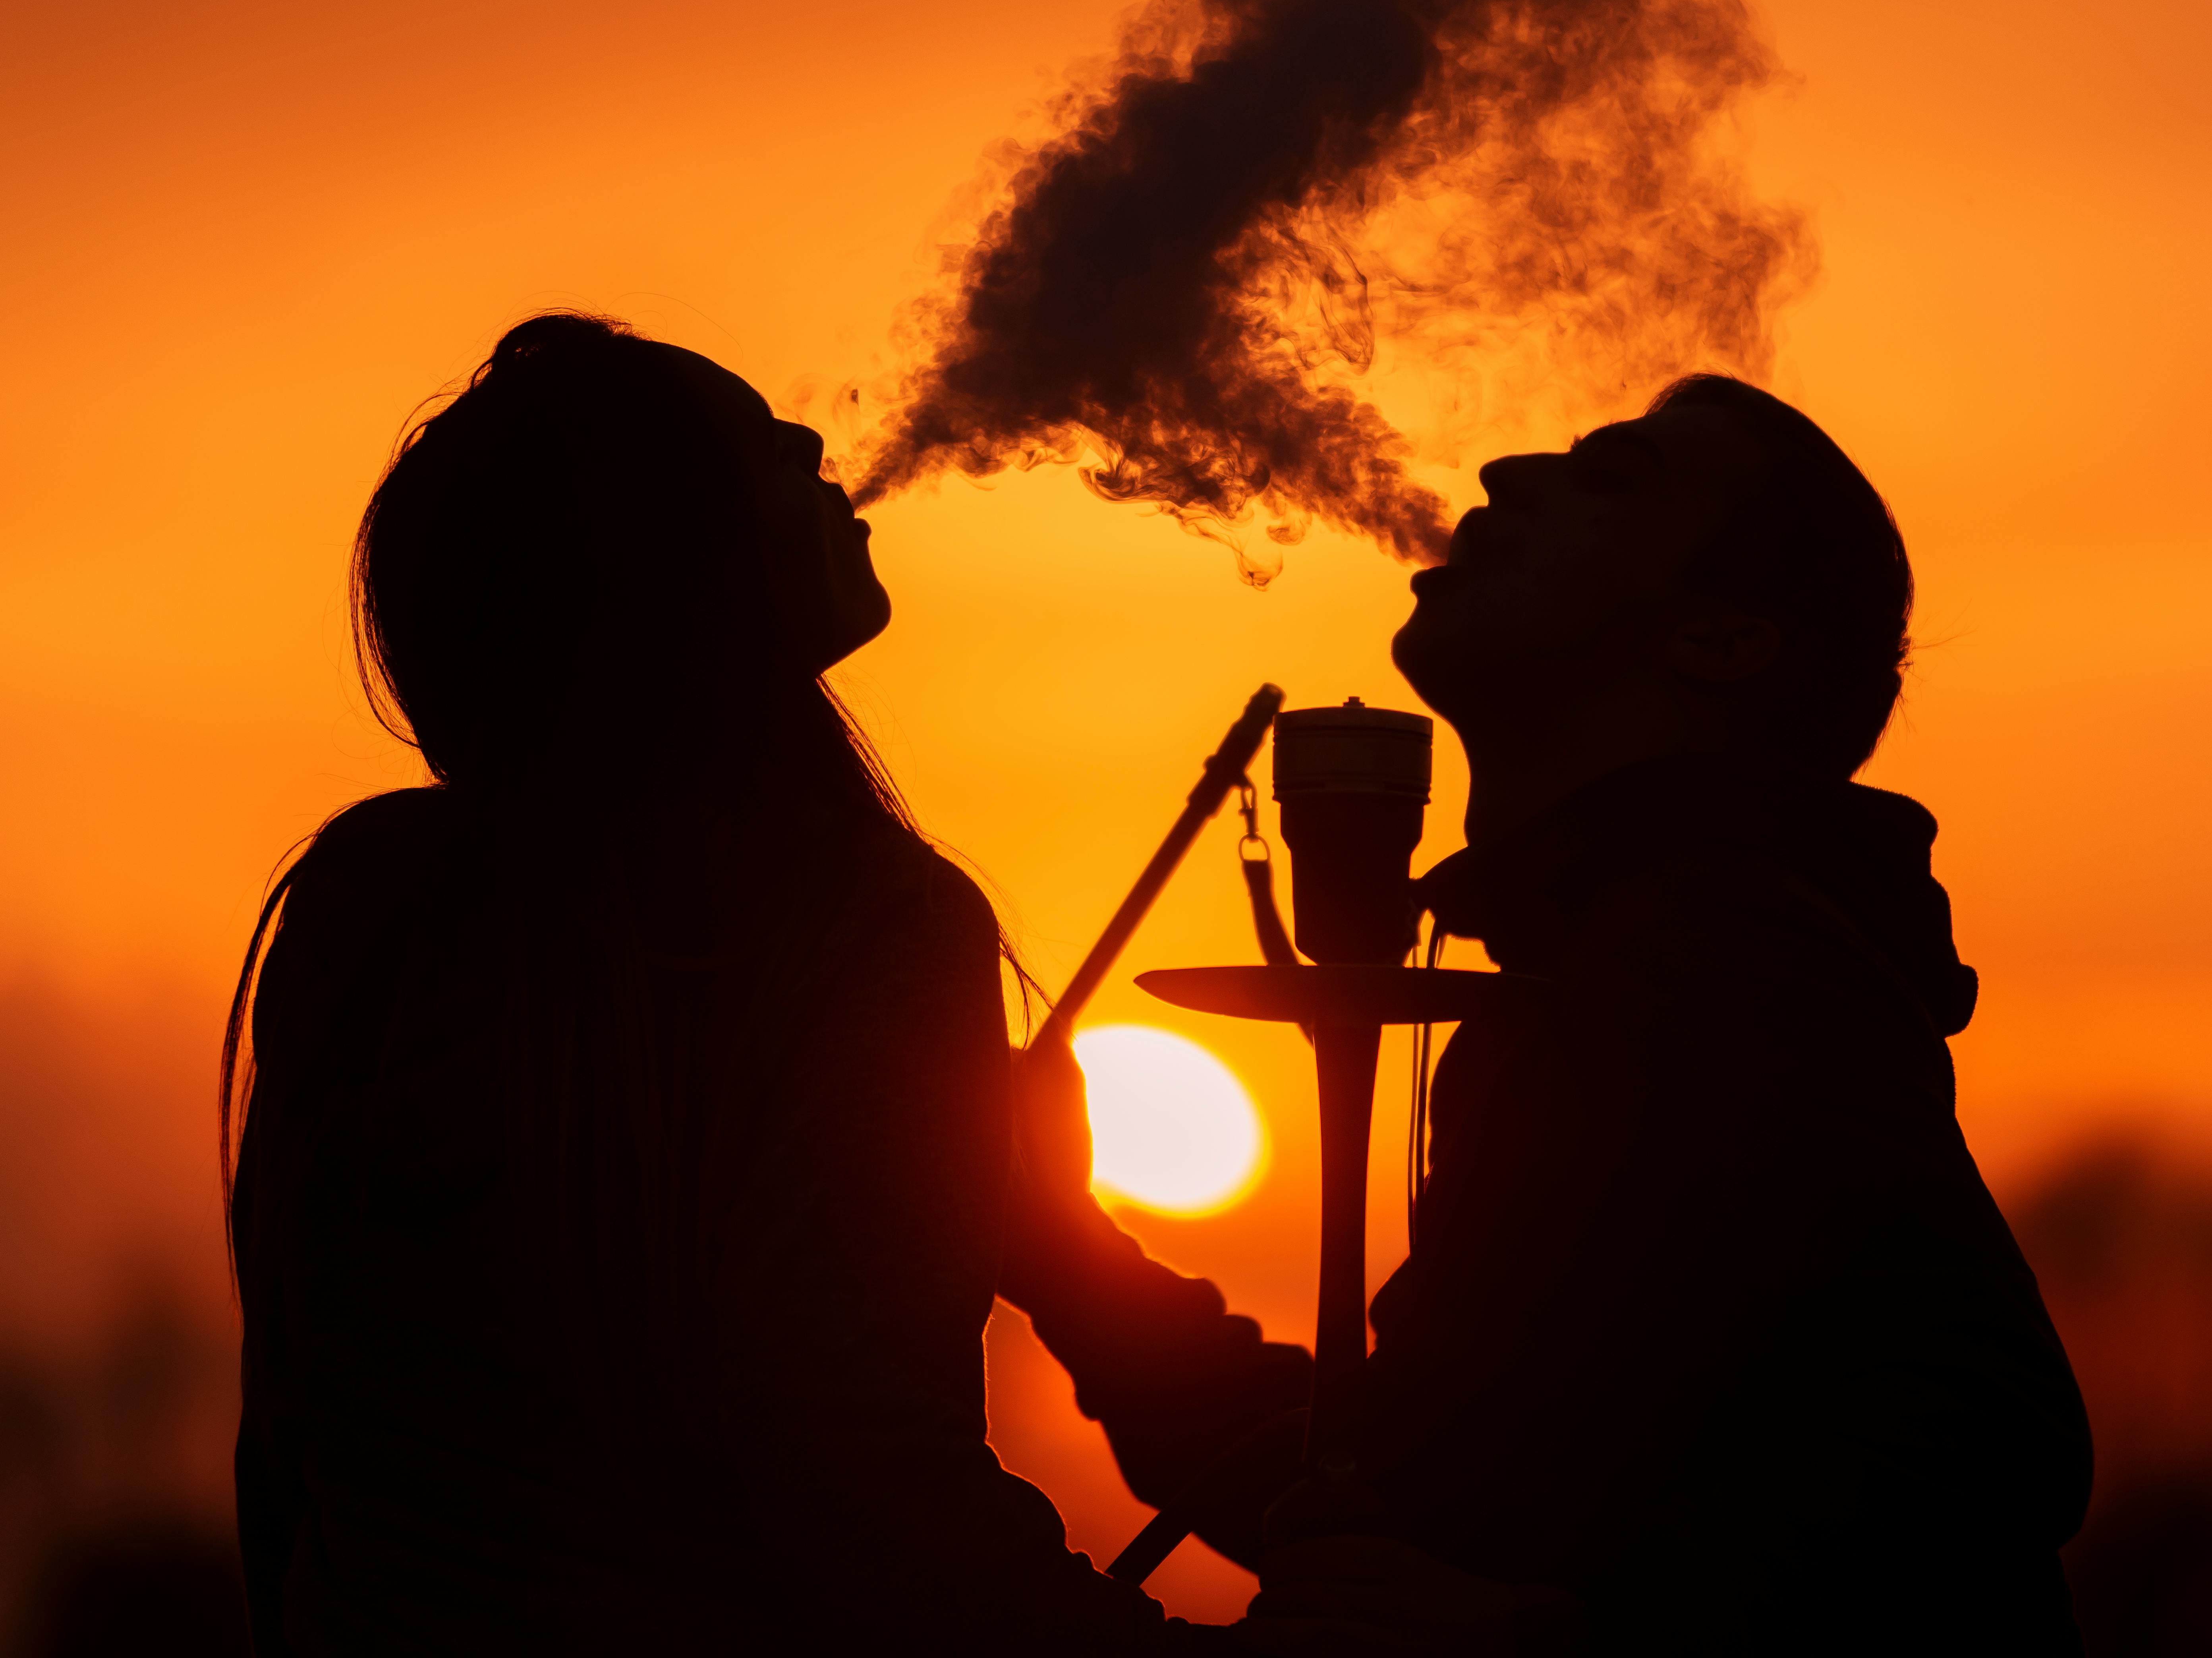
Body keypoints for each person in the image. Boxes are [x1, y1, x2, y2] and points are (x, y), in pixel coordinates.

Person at [221, 313, 1304, 1654]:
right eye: (749, 439)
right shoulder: (862, 922)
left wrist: (1022, 1204)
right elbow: (872, 1503)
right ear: (662, 554)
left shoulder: (367, 904)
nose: (808, 438)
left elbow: (290, 1443)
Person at [1026, 375, 2094, 1652]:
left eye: (1609, 478)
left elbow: (1990, 1436)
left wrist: (1549, 1634)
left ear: (1720, 639)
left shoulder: (1716, 956)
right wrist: (1056, 1248)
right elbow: (1382, 1496)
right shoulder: (1594, 970)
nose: (1504, 475)